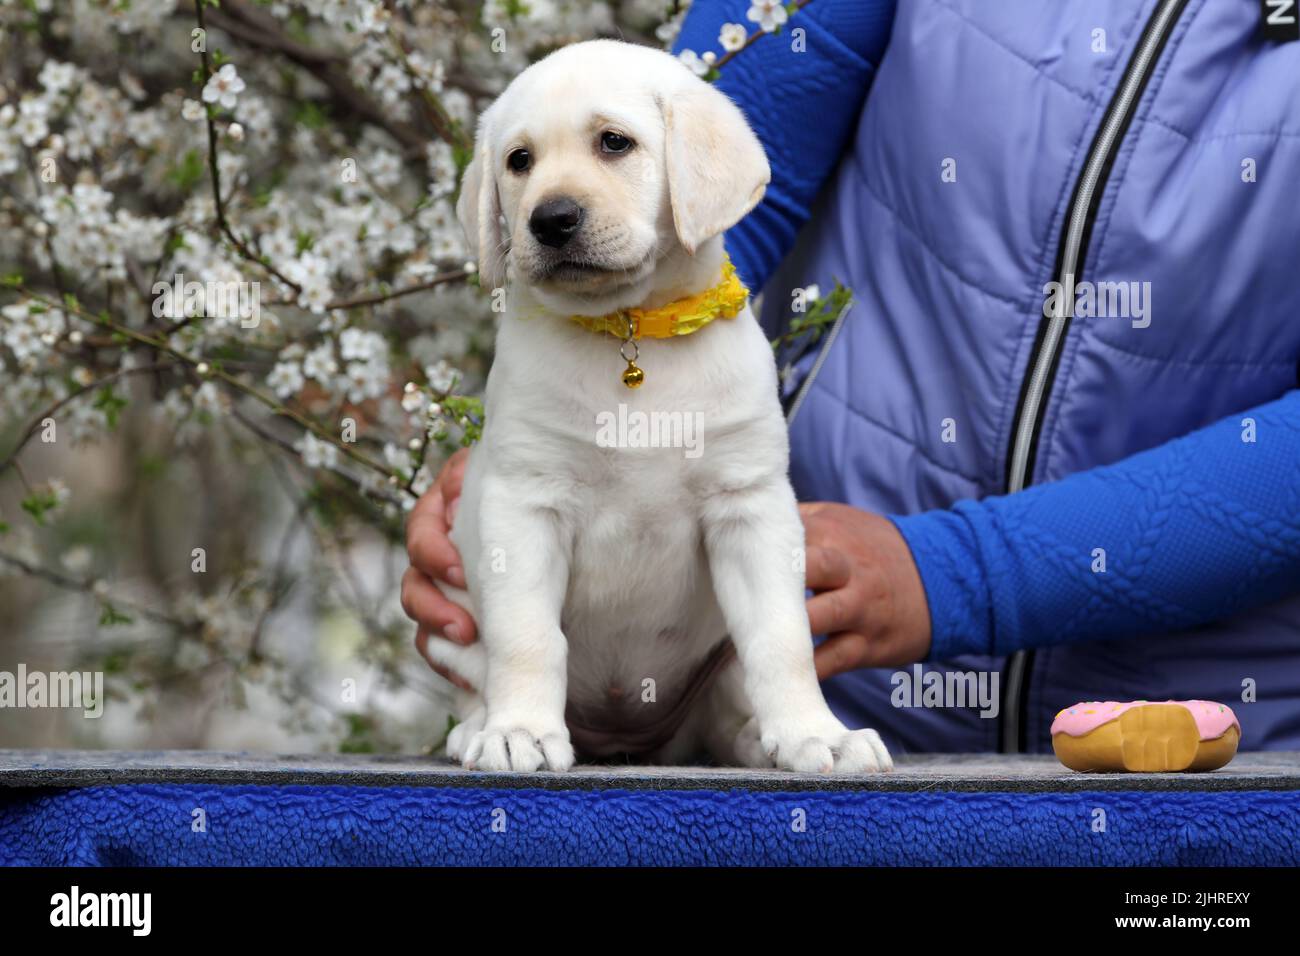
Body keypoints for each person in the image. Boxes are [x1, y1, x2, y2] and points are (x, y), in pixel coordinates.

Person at [402, 0, 1300, 756]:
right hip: (833, 724)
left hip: (1212, 744)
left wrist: (961, 573)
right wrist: (576, 426)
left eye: (606, 144)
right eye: (522, 165)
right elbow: (721, 143)